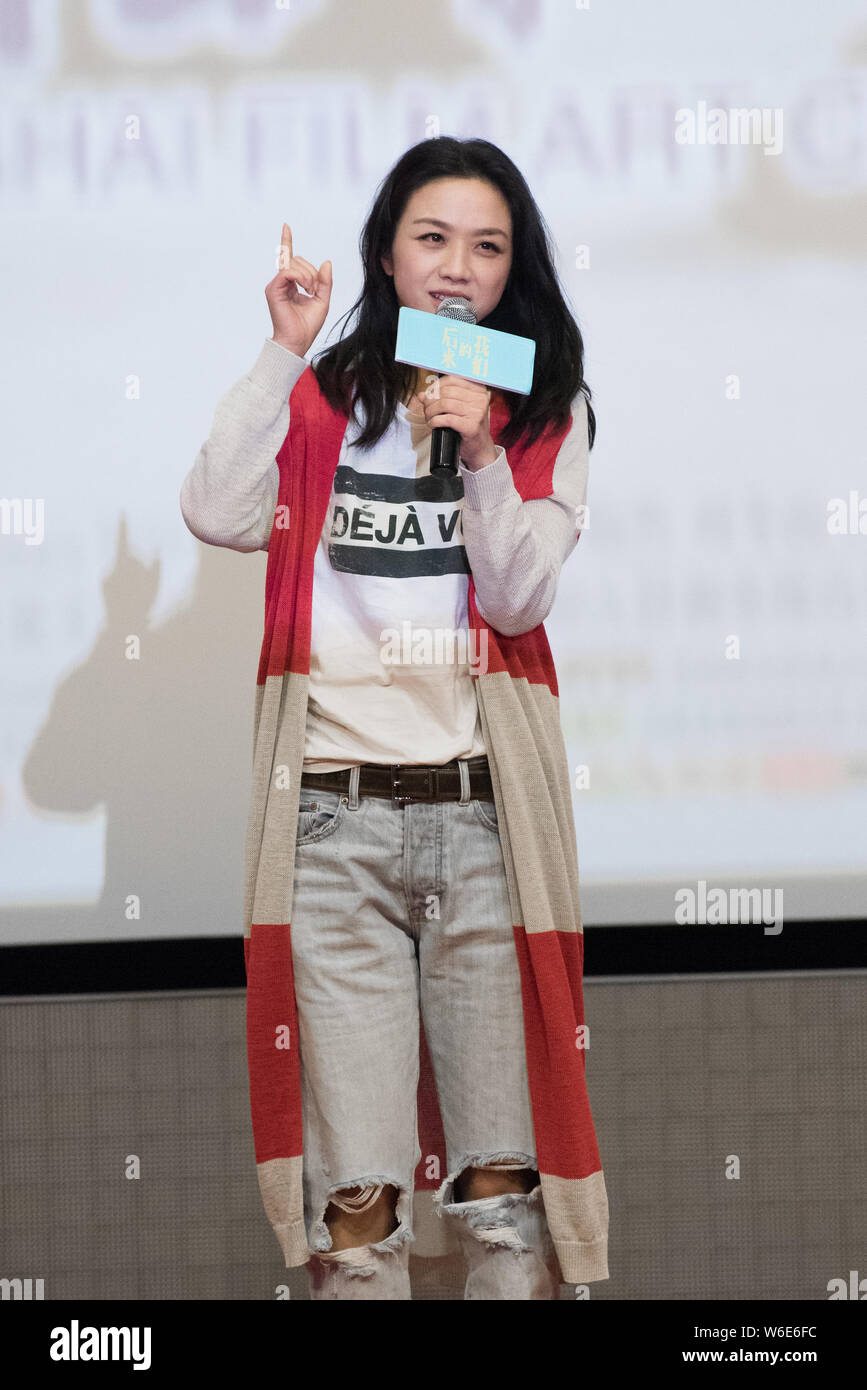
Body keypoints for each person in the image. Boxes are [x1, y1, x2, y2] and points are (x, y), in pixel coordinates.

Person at [180, 136, 609, 1300]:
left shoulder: (541, 415)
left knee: (500, 1196)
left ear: (511, 270)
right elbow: (215, 509)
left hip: (479, 832)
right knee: (359, 1211)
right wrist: (283, 350)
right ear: (387, 252)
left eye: (486, 245)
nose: (457, 268)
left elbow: (518, 595)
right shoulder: (326, 401)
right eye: (432, 239)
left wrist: (479, 449)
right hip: (335, 832)